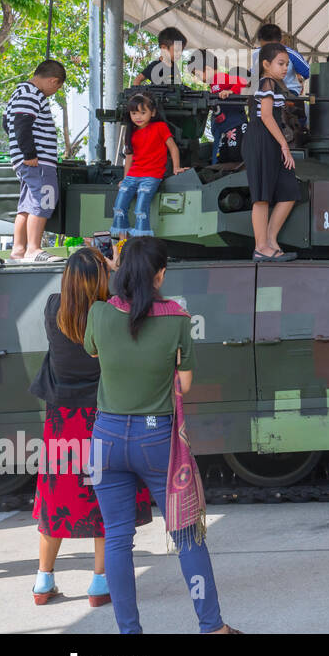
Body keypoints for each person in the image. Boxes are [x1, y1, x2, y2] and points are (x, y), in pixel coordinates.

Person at [86, 237, 237, 633]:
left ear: (120, 272)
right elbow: (184, 385)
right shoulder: (177, 318)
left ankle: (129, 632)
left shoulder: (99, 313)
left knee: (117, 539)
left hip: (105, 439)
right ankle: (212, 626)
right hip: (157, 440)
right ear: (161, 275)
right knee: (186, 534)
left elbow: (95, 353)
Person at [29, 248, 152, 607]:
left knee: (56, 500)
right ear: (102, 279)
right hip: (102, 418)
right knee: (105, 499)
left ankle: (42, 581)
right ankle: (100, 584)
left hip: (61, 422)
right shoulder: (112, 311)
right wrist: (115, 266)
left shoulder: (54, 307)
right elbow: (126, 299)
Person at [4, 59, 65, 263]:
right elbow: (21, 124)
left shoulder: (18, 93)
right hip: (37, 162)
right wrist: (29, 153)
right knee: (45, 198)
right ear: (53, 80)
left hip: (28, 160)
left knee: (27, 204)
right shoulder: (31, 94)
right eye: (57, 87)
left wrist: (18, 148)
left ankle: (19, 250)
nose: (54, 92)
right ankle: (33, 249)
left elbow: (7, 123)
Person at [244, 44, 302, 261]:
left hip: (272, 140)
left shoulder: (274, 84)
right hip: (261, 139)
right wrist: (284, 145)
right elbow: (266, 116)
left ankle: (270, 239)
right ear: (266, 64)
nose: (285, 68)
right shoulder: (267, 82)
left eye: (287, 64)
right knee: (261, 197)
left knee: (289, 191)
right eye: (281, 63)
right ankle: (260, 248)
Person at [110, 93, 188, 245]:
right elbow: (129, 157)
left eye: (143, 112)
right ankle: (122, 245)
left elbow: (173, 147)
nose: (138, 117)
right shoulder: (131, 131)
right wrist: (125, 178)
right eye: (134, 113)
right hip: (133, 174)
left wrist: (176, 167)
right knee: (119, 207)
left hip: (152, 175)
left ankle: (141, 244)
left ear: (152, 113)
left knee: (141, 209)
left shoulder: (160, 127)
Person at [193, 49, 249, 164]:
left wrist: (231, 91)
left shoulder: (220, 78)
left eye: (198, 74)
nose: (198, 78)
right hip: (225, 128)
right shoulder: (213, 83)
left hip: (235, 125)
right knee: (223, 157)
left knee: (236, 156)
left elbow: (243, 81)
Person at [248, 23, 310, 96]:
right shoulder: (256, 53)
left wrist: (300, 79)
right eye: (265, 48)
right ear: (260, 41)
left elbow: (309, 72)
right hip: (265, 90)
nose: (268, 51)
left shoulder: (291, 54)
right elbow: (253, 75)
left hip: (289, 92)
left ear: (280, 41)